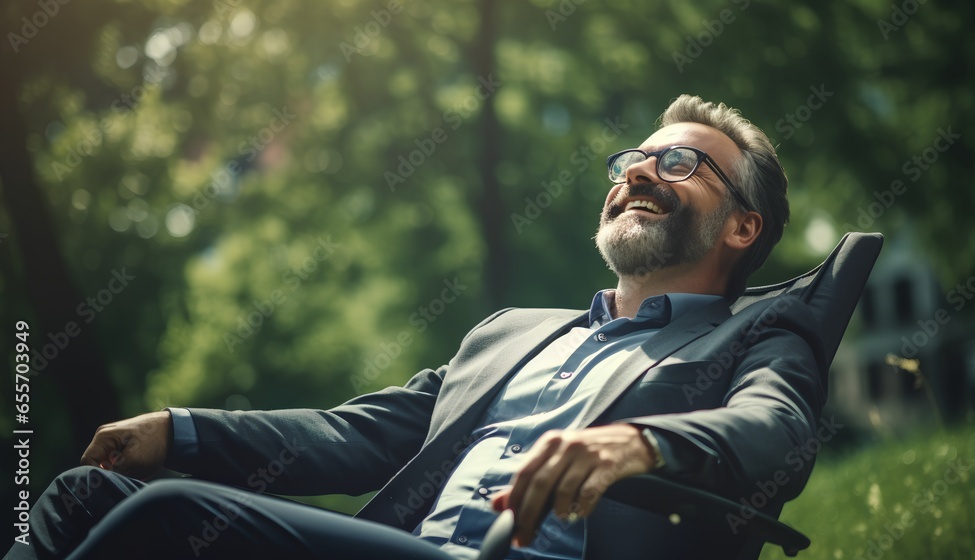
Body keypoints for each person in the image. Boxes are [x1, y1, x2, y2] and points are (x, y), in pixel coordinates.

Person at [6, 94, 821, 560]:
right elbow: (349, 436)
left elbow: (777, 431)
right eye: (631, 161)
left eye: (678, 162)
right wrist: (178, 432)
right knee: (85, 498)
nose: (639, 169)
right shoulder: (512, 334)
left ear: (742, 228)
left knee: (165, 519)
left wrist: (641, 443)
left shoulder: (755, 337)